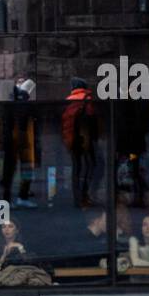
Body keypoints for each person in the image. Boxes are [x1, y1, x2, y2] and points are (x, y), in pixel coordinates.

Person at [0, 77, 38, 208]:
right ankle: (17, 197)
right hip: (18, 141)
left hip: (16, 141)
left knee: (12, 170)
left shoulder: (13, 99)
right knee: (15, 170)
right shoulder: (20, 100)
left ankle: (15, 197)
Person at [61, 77, 99, 207]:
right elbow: (92, 120)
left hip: (72, 139)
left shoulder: (67, 101)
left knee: (76, 168)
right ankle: (85, 194)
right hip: (85, 139)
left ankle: (77, 198)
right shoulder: (87, 100)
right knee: (92, 165)